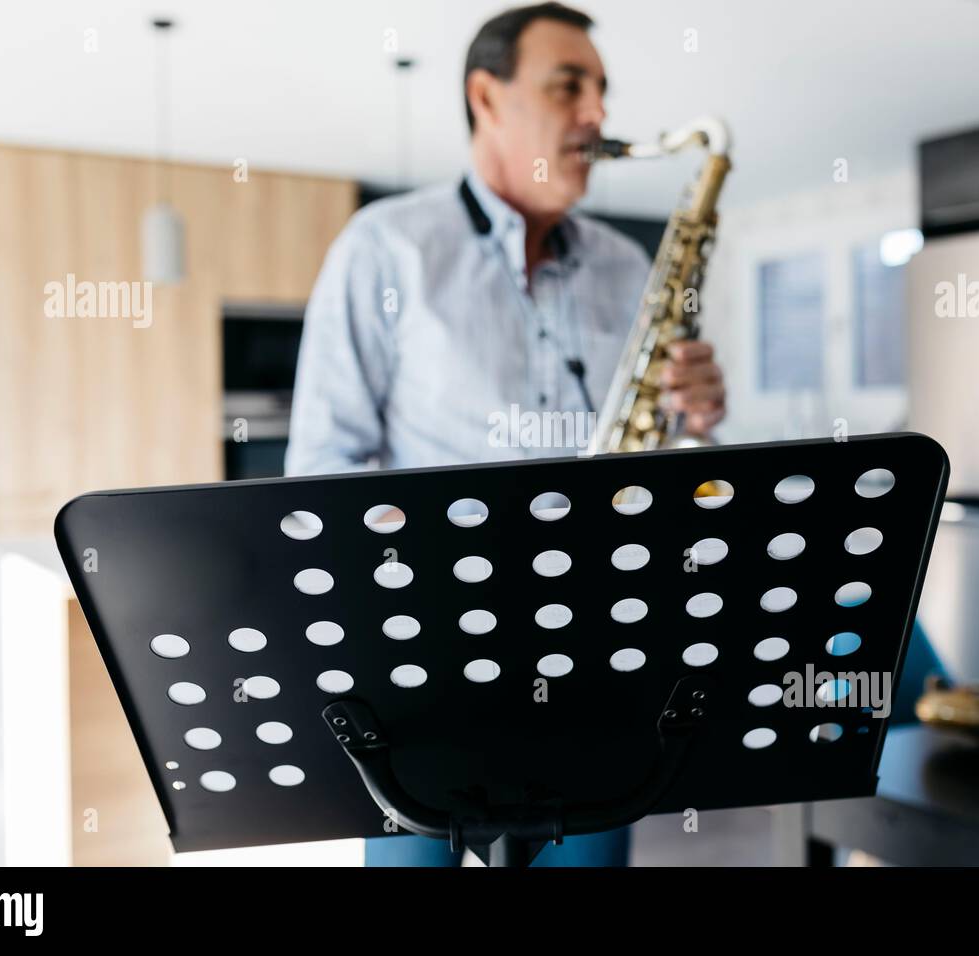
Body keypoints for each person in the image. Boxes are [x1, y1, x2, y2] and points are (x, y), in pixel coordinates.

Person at [284, 2, 725, 865]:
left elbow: (673, 481)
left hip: (602, 664)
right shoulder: (384, 249)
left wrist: (699, 426)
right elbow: (322, 483)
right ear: (487, 97)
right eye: (570, 87)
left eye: (601, 90)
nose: (597, 114)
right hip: (420, 683)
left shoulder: (626, 268)